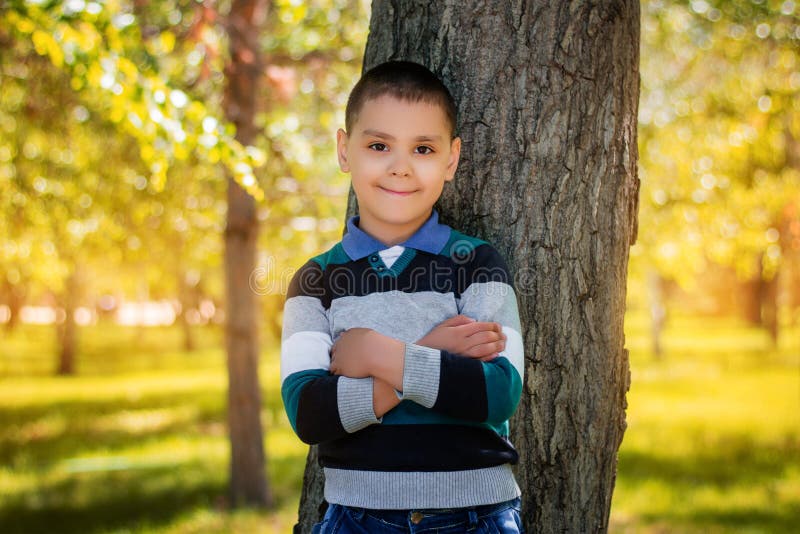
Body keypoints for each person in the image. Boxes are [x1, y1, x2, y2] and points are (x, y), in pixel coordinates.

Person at [281, 60, 526, 533]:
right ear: (344, 150)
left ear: (451, 160)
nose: (400, 166)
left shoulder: (476, 264)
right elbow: (310, 413)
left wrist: (376, 353)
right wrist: (435, 350)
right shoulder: (315, 280)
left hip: (477, 516)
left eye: (423, 148)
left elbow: (496, 393)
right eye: (378, 145)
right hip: (356, 518)